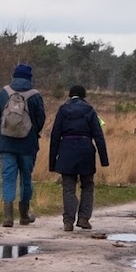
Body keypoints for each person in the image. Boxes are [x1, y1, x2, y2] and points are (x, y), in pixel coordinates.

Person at [48, 85, 109, 231]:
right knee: (87, 185)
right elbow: (98, 136)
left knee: (68, 188)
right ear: (84, 95)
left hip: (67, 150)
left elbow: (55, 136)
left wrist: (52, 162)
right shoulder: (89, 110)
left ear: (70, 95)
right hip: (85, 151)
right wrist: (104, 159)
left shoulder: (63, 110)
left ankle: (68, 221)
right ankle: (83, 218)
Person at [0, 64, 47, 227]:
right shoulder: (35, 95)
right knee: (26, 179)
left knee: (8, 179)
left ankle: (8, 217)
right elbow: (40, 119)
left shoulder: (4, 92)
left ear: (13, 76)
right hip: (27, 145)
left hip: (6, 143)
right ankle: (24, 215)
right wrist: (32, 132)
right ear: (30, 77)